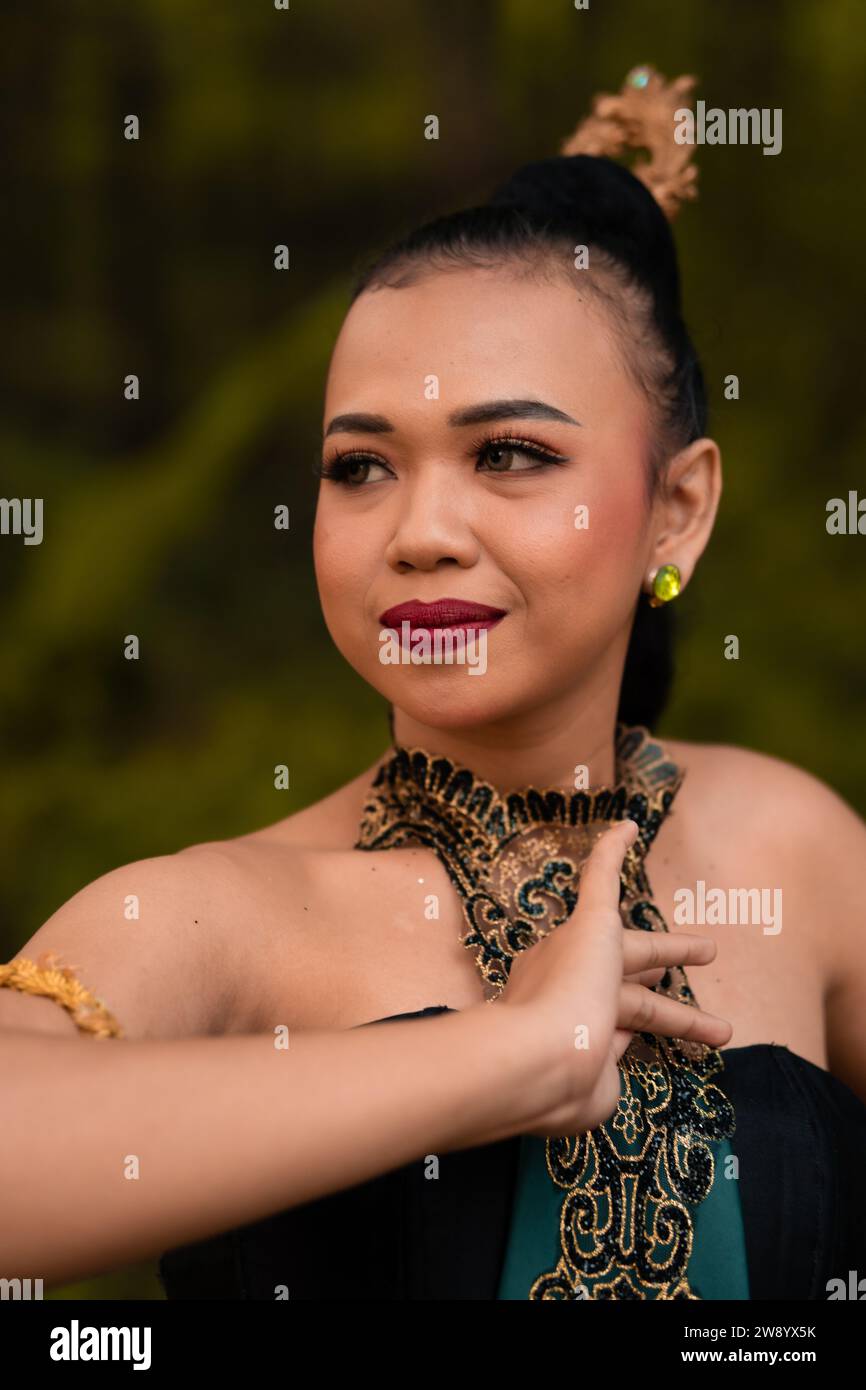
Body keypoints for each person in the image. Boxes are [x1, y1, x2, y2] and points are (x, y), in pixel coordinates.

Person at [2, 65, 865, 1301]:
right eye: (360, 467)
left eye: (507, 453)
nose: (419, 532)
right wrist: (509, 1056)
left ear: (677, 510)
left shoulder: (794, 852)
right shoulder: (220, 915)